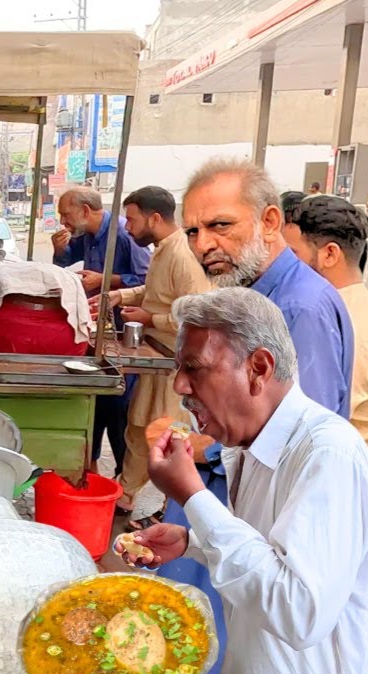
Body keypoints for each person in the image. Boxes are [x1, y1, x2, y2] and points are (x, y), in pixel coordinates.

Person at [118, 287, 368, 674]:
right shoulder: (250, 444)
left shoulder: (328, 452)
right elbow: (268, 559)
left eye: (195, 369)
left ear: (258, 368)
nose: (179, 385)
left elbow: (300, 612)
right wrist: (193, 542)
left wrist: (193, 495)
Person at [182, 157, 353, 417]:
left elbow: (302, 432)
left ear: (270, 222)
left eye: (220, 225)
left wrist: (205, 450)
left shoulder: (298, 308)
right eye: (192, 232)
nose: (203, 245)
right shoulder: (253, 294)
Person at [92, 186, 209, 528]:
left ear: (154, 218)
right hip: (157, 357)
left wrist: (150, 319)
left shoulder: (183, 253)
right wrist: (117, 295)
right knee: (140, 427)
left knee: (172, 436)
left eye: (131, 219)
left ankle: (172, 512)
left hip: (179, 363)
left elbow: (198, 312)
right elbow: (153, 290)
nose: (127, 227)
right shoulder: (162, 250)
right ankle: (125, 494)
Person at [283, 195, 368, 467]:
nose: (284, 266)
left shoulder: (351, 324)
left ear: (330, 254)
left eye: (293, 254)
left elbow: (311, 427)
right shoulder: (340, 309)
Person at [54, 186, 151, 480]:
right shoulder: (86, 235)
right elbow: (67, 259)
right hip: (100, 329)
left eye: (66, 215)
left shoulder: (124, 234)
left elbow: (146, 280)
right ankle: (90, 469)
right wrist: (60, 250)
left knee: (119, 407)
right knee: (96, 402)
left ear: (85, 211)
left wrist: (107, 280)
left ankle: (125, 479)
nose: (63, 222)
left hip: (124, 331)